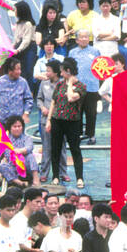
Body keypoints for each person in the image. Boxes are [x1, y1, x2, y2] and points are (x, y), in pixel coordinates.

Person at [45, 57, 86, 186]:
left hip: (72, 122)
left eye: (62, 72)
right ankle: (55, 176)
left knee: (75, 149)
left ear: (68, 71)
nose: (61, 74)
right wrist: (49, 120)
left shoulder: (80, 86)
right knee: (55, 149)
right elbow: (53, 102)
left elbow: (71, 98)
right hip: (57, 120)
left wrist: (69, 84)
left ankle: (79, 178)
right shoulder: (59, 84)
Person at [67, 30, 102, 144]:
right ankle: (76, 135)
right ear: (76, 40)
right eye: (81, 37)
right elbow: (68, 70)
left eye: (86, 37)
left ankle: (91, 135)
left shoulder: (95, 51)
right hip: (77, 88)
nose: (84, 39)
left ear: (89, 39)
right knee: (76, 112)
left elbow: (101, 68)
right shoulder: (72, 52)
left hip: (92, 87)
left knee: (91, 113)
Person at [35, 60, 66, 179]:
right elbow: (39, 99)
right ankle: (44, 173)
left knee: (61, 147)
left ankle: (63, 173)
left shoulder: (64, 84)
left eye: (48, 71)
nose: (46, 73)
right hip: (45, 120)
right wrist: (42, 107)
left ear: (56, 72)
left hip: (60, 120)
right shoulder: (44, 83)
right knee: (46, 146)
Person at [0, 56, 35, 132]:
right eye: (17, 69)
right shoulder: (0, 81)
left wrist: (26, 113)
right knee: (0, 143)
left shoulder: (23, 82)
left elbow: (29, 99)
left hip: (16, 122)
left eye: (20, 69)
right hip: (1, 120)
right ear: (10, 71)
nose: (20, 71)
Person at [0, 116, 38, 186]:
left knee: (30, 156)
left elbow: (30, 147)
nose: (17, 128)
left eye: (19, 126)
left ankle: (36, 180)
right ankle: (20, 183)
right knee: (2, 166)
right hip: (12, 167)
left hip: (25, 165)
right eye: (14, 126)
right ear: (10, 128)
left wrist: (20, 151)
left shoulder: (27, 138)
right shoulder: (5, 140)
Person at [11, 1, 37, 79]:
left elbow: (26, 40)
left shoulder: (28, 24)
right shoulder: (18, 24)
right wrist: (13, 47)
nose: (14, 12)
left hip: (29, 48)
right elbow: (16, 38)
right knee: (20, 70)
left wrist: (18, 50)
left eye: (15, 10)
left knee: (28, 70)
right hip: (20, 47)